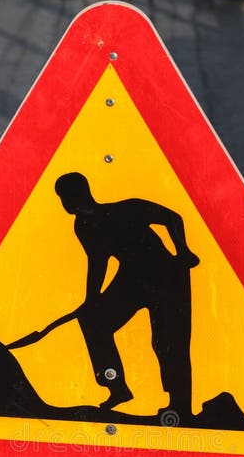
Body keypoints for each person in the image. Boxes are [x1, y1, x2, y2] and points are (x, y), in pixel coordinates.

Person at [55, 172, 200, 418]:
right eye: (62, 198)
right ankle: (116, 386)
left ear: (81, 193)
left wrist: (183, 250)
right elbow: (98, 262)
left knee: (168, 342)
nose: (65, 202)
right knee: (93, 321)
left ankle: (180, 405)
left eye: (67, 196)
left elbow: (172, 218)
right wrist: (92, 300)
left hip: (165, 274)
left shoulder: (128, 209)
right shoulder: (83, 225)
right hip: (132, 278)